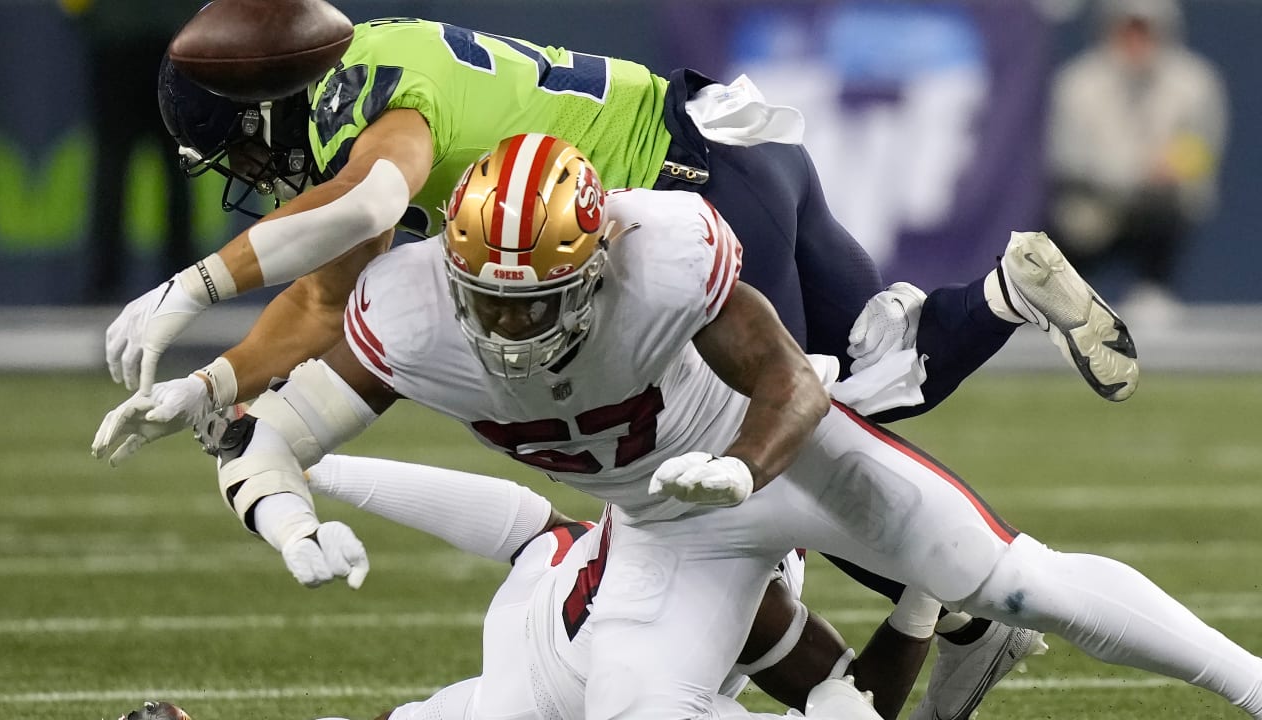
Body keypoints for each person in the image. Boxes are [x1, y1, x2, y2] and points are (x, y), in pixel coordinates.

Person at [101, 12, 1133, 716]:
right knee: (873, 362)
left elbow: (368, 211)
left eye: (237, 154)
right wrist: (211, 384)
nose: (249, 181)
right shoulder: (375, 58)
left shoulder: (364, 109)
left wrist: (192, 286)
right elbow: (324, 299)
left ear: (266, 102)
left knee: (803, 423)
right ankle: (996, 302)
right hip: (730, 135)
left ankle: (953, 600)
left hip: (677, 197)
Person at [116, 450, 921, 720]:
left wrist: (325, 467)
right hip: (569, 685)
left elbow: (534, 531)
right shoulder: (745, 585)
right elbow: (859, 702)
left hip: (553, 610)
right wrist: (928, 596)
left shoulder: (688, 483)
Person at [1046, 0, 1228, 326]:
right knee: (1068, 219)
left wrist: (1176, 165)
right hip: (1093, 204)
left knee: (1167, 208)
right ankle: (1067, 302)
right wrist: (1130, 174)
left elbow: (1203, 148)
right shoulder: (1078, 84)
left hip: (1156, 206)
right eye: (1127, 28)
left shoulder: (1194, 83)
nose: (1135, 40)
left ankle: (1153, 290)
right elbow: (1065, 158)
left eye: (1144, 29)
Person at [61, 0, 203, 302]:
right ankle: (184, 275)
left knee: (114, 163)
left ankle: (104, 279)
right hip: (171, 42)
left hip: (119, 40)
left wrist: (92, 17)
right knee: (178, 160)